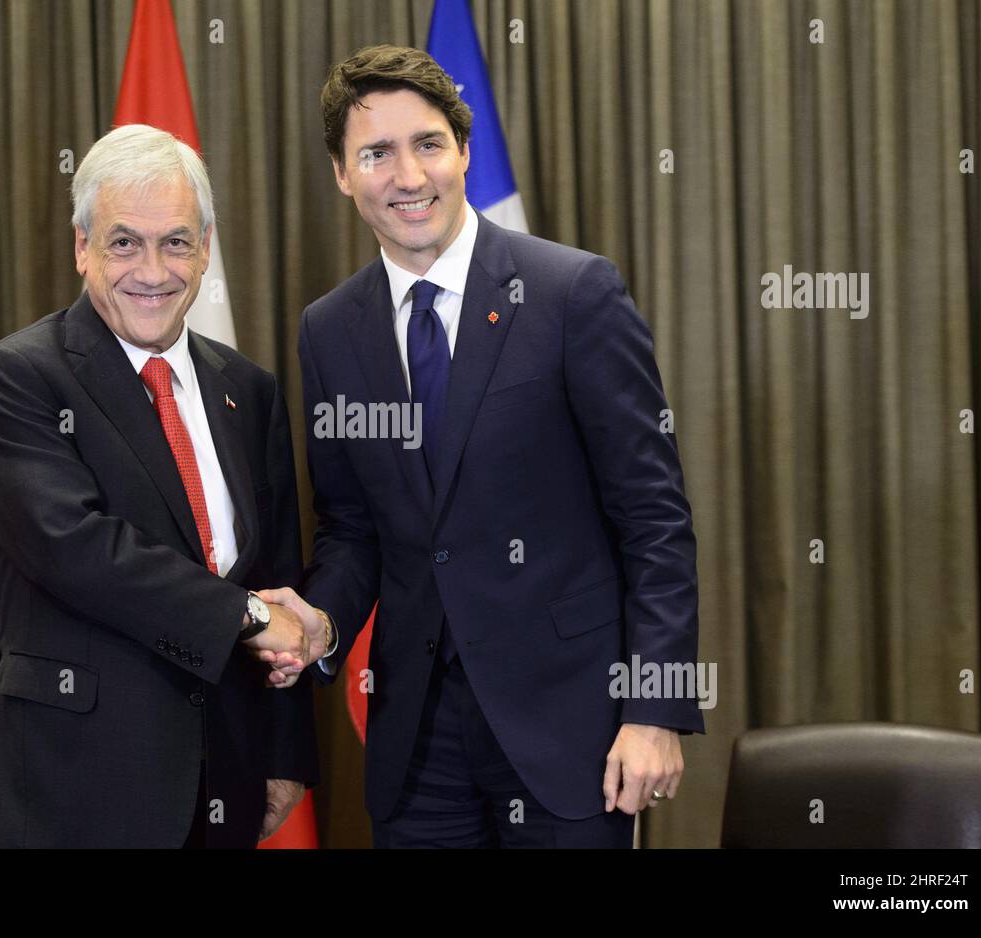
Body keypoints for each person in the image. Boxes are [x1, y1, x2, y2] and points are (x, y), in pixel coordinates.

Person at [261, 45, 704, 848]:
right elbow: (353, 527)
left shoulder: (575, 293)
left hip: (573, 734)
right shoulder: (328, 330)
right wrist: (322, 620)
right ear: (341, 173)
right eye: (376, 153)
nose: (408, 175)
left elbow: (654, 519)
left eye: (427, 143)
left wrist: (654, 708)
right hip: (417, 746)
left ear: (463, 151)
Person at [0, 124, 321, 848]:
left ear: (207, 248)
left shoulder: (246, 390)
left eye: (177, 242)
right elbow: (78, 549)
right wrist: (247, 616)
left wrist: (284, 757)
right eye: (125, 242)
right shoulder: (21, 376)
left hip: (223, 782)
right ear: (80, 247)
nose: (153, 270)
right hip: (72, 789)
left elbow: (280, 573)